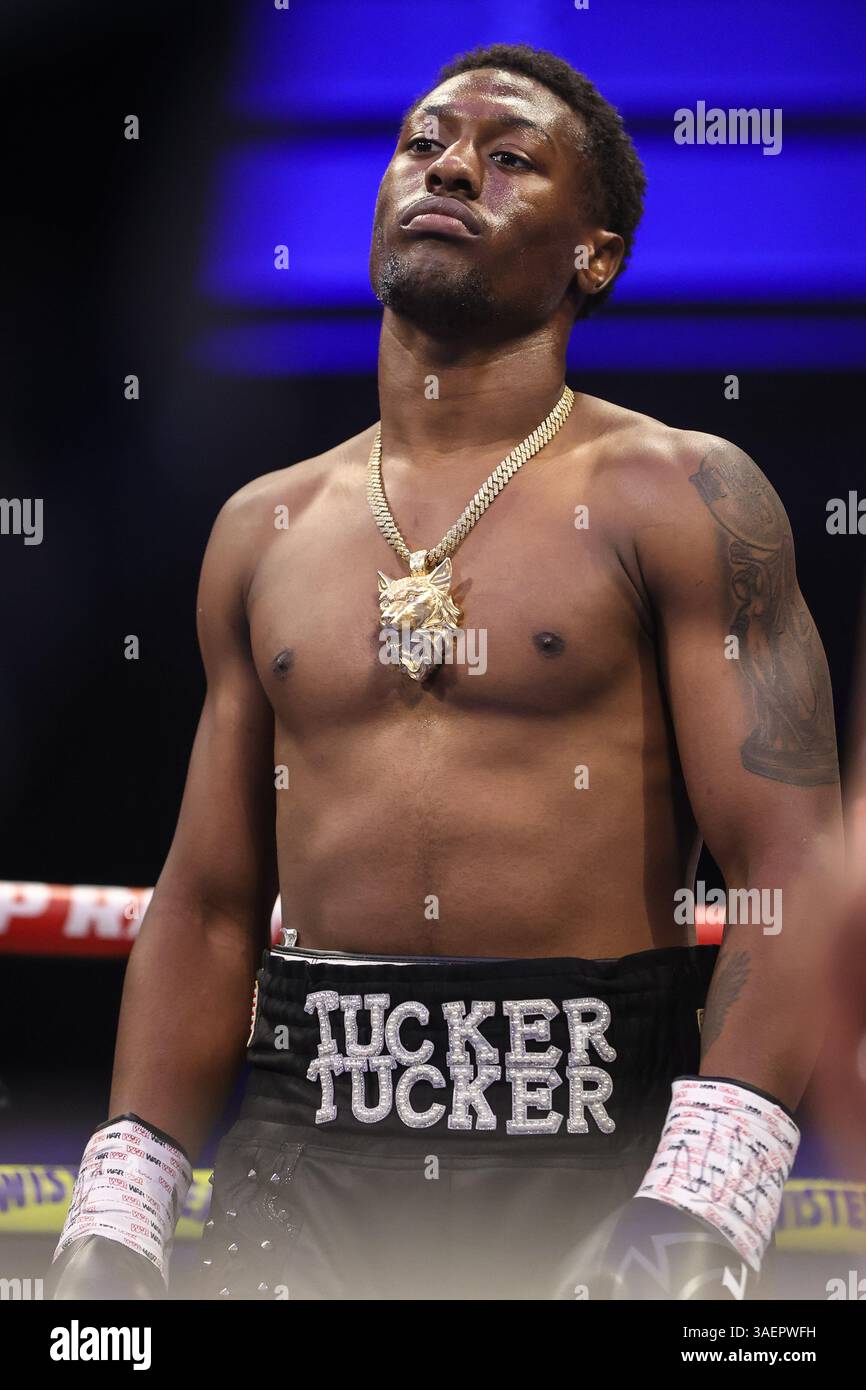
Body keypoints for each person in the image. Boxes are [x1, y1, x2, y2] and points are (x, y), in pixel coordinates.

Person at [49, 43, 843, 1301]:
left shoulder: (676, 493)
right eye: (423, 143)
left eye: (508, 158)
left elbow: (792, 867)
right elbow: (206, 901)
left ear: (595, 256)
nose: (450, 168)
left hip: (587, 1147)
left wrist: (706, 1192)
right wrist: (123, 1198)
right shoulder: (262, 527)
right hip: (297, 1157)